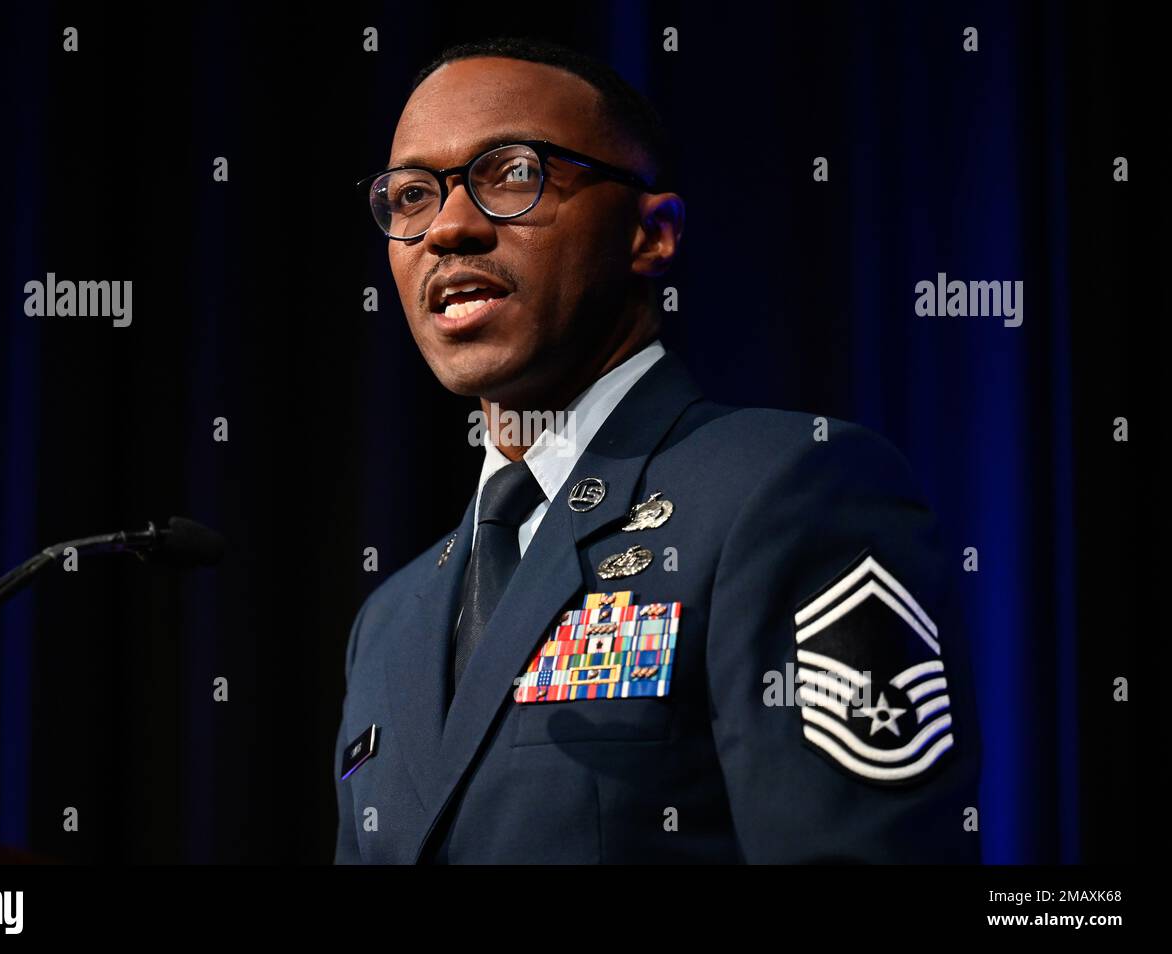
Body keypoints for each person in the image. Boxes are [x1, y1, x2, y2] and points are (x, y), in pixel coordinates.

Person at [334, 36, 981, 863]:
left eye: (512, 174)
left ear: (653, 234)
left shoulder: (792, 492)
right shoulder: (389, 623)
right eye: (412, 195)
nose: (450, 228)